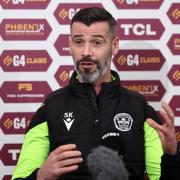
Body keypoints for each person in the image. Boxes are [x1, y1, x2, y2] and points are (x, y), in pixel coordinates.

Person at [11, 7, 179, 180]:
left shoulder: (141, 110)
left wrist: (171, 156)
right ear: (70, 45)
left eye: (96, 43)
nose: (86, 52)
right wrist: (40, 177)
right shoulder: (50, 109)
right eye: (78, 42)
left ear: (114, 45)